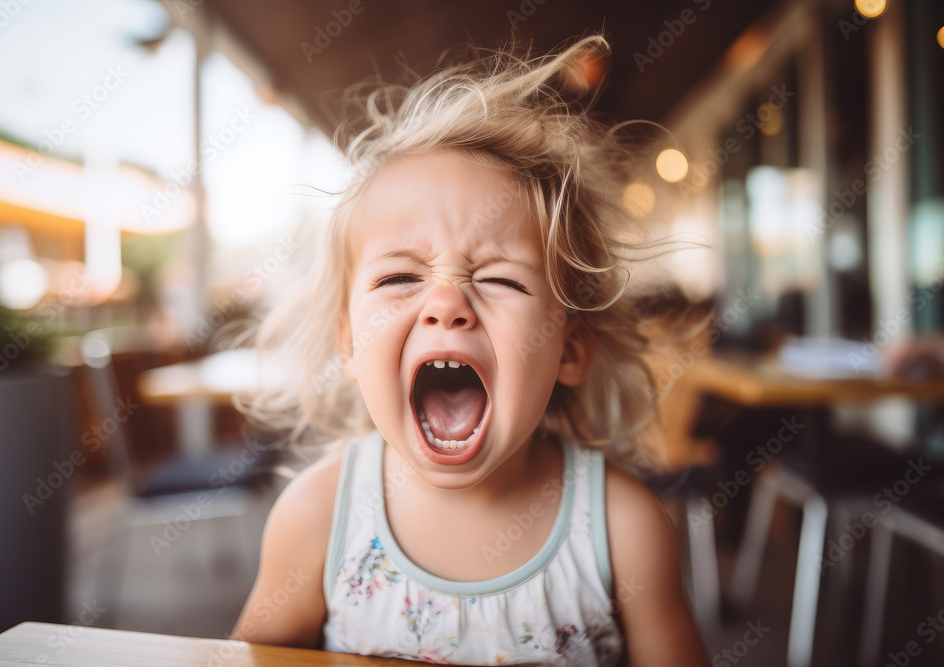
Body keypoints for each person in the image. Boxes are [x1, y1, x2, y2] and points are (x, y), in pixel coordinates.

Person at [229, 35, 710, 666]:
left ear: (569, 349)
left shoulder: (624, 530)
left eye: (500, 279)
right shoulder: (319, 519)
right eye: (400, 278)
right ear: (349, 345)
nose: (446, 303)